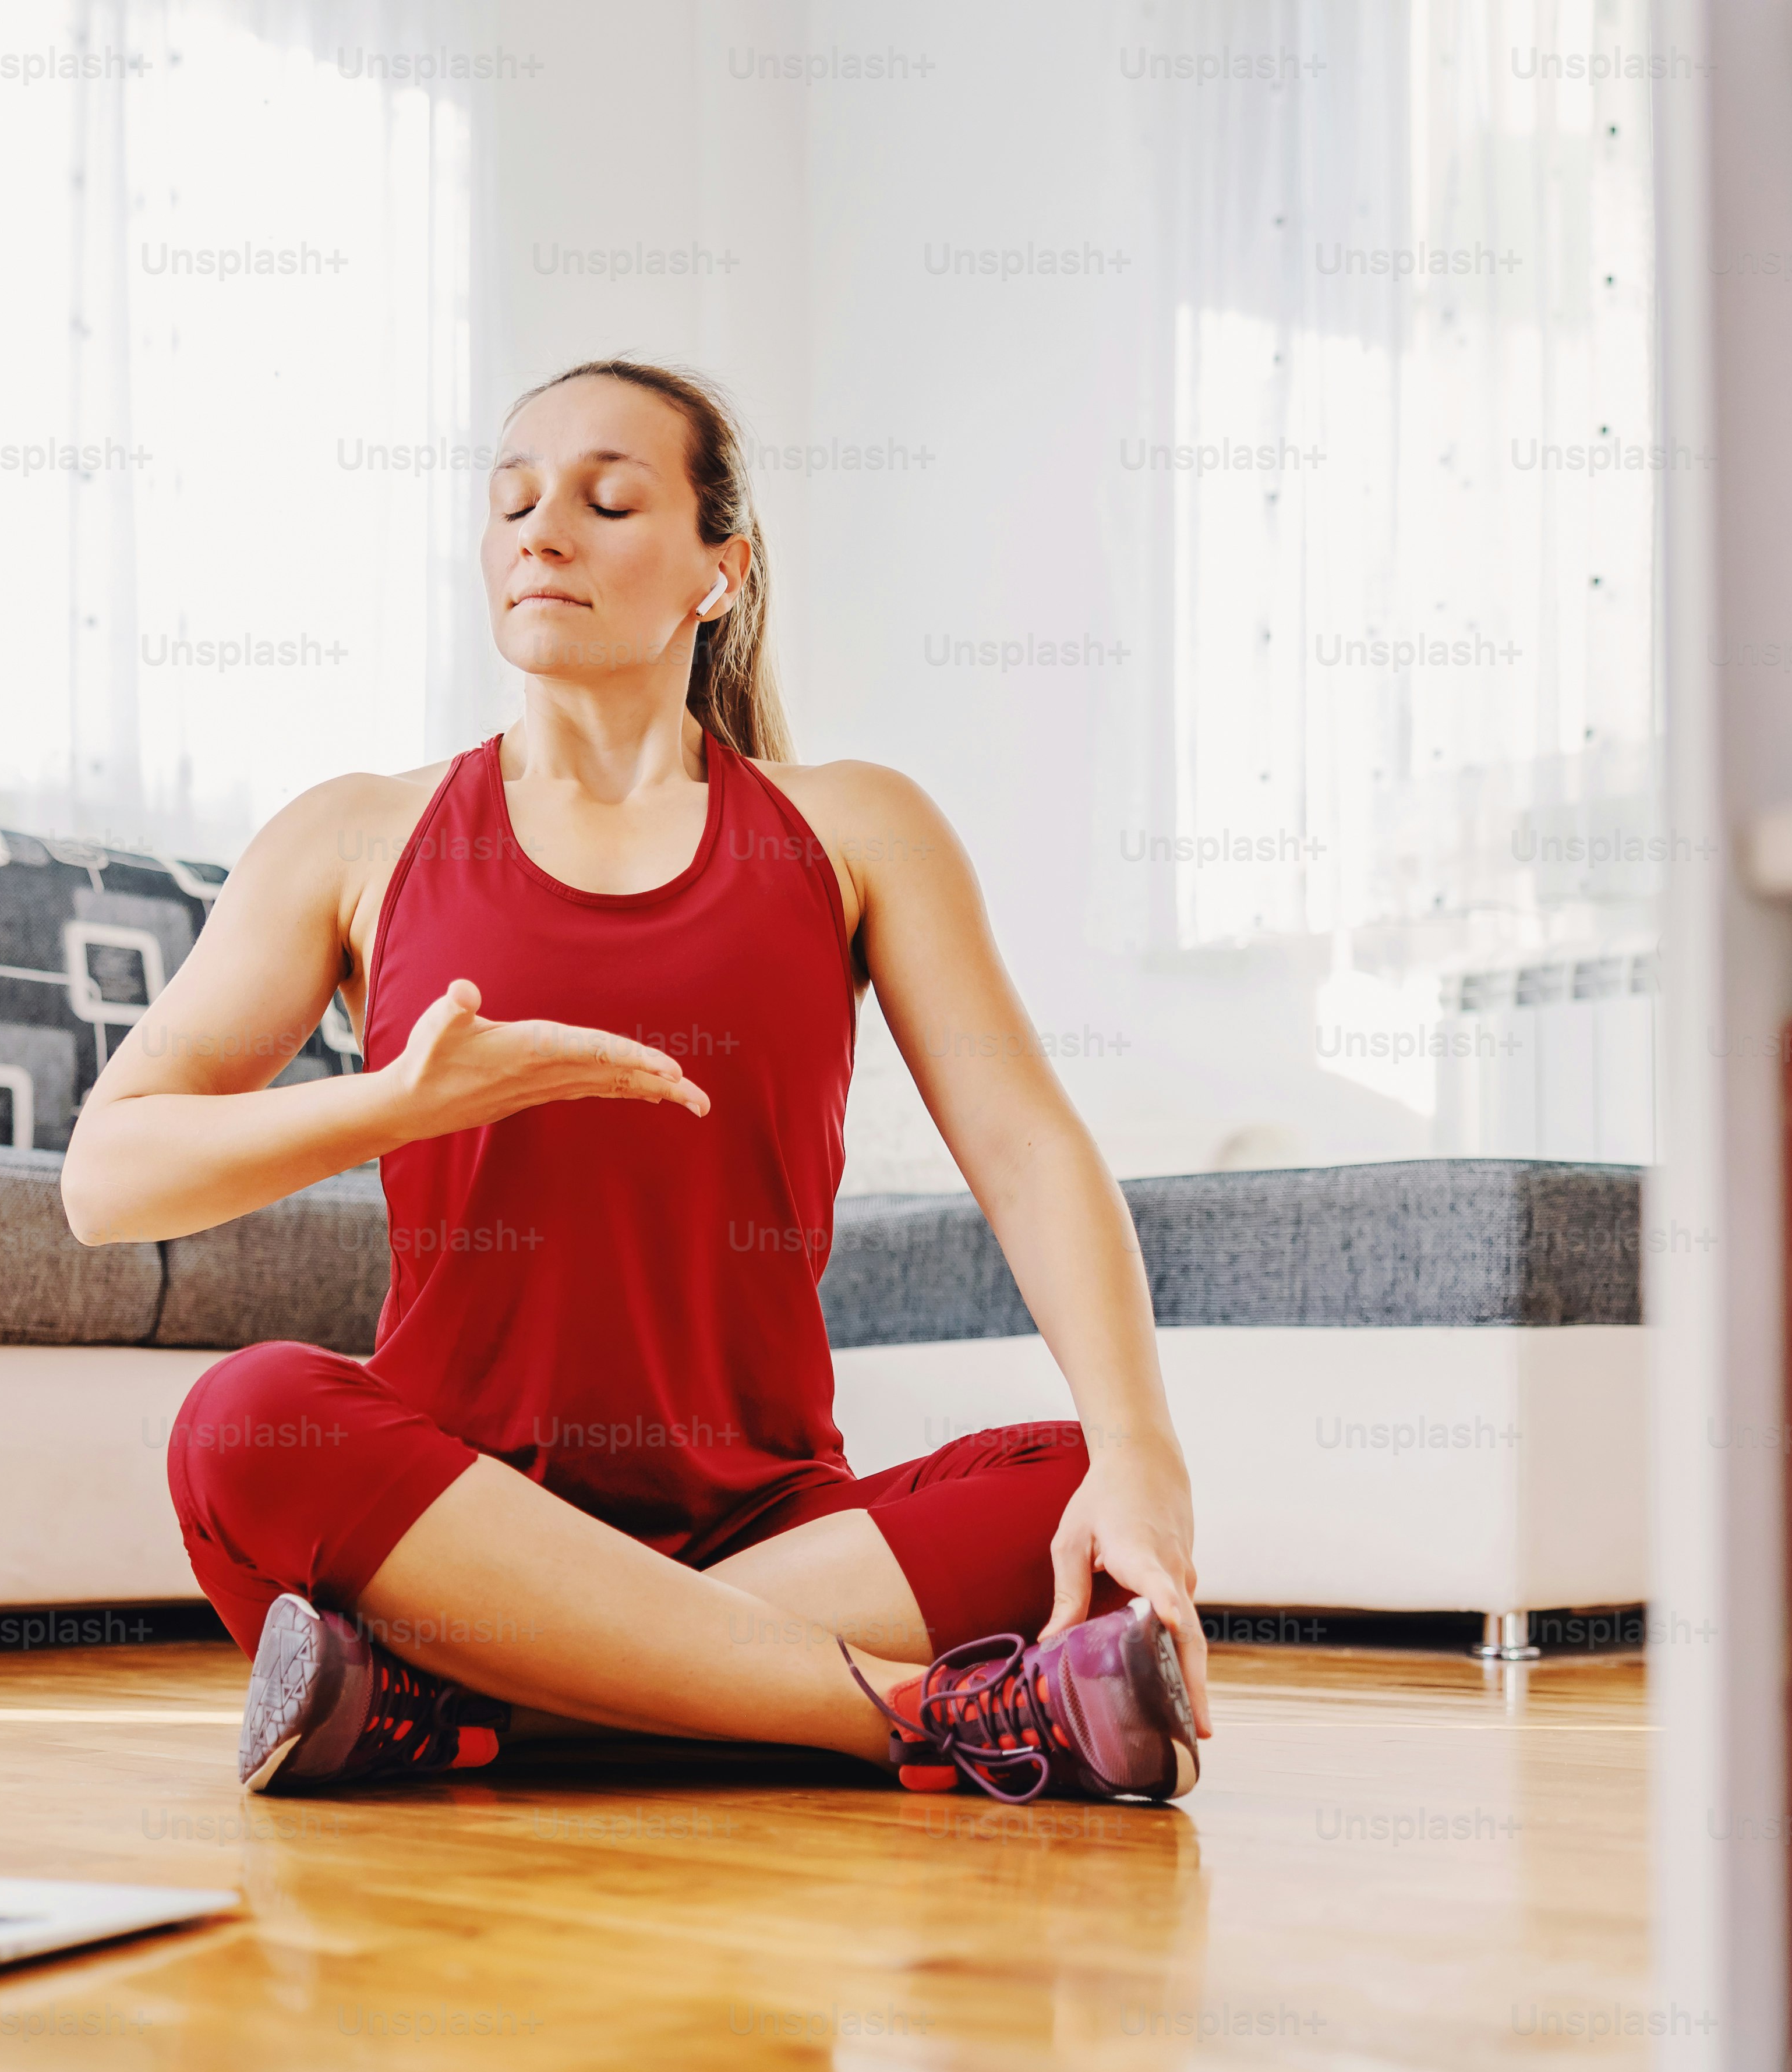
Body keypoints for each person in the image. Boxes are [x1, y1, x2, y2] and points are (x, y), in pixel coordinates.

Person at [61, 358, 1210, 1805]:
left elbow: (1025, 1146)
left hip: (768, 1526)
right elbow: (107, 1180)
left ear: (721, 572)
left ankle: (449, 1706)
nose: (542, 532)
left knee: (1070, 1473)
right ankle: (922, 1708)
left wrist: (1144, 1454)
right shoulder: (355, 835)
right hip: (446, 1522)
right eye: (513, 504)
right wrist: (396, 1102)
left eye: (606, 502)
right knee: (245, 1422)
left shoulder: (857, 828)